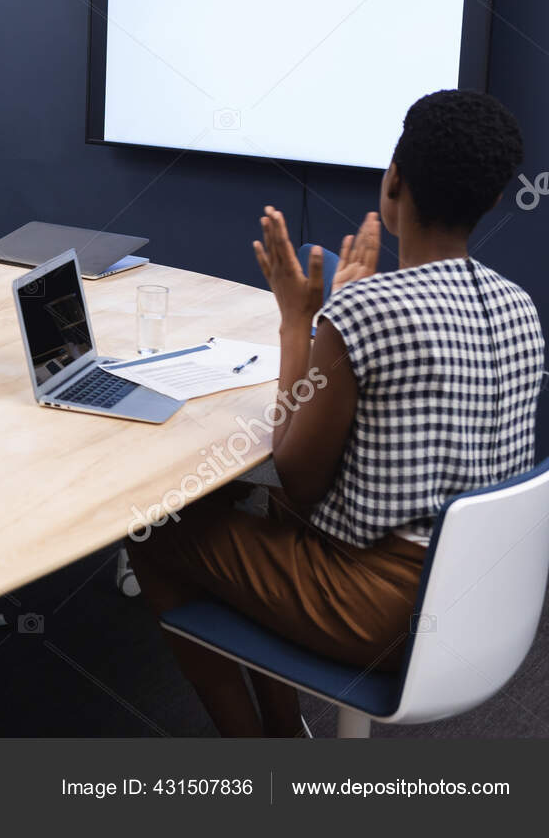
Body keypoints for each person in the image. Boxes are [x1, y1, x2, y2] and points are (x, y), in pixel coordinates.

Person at [128, 89, 544, 737]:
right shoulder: (521, 305)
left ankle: (259, 749)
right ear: (493, 199)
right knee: (258, 511)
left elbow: (296, 474)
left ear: (394, 179)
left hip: (381, 605)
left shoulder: (367, 311)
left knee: (150, 529)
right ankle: (285, 734)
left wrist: (300, 321)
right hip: (479, 597)